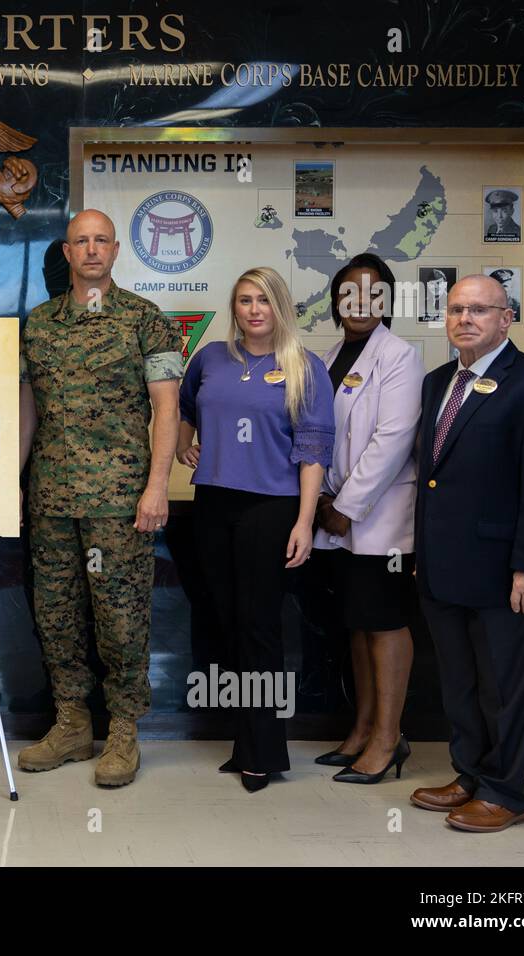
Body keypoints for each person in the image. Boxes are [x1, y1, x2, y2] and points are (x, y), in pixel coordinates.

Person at [411, 275, 524, 831]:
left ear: (506, 318)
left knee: (508, 688)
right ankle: (471, 776)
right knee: (460, 684)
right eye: (457, 309)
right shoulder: (438, 381)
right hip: (442, 568)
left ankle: (507, 792)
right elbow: (433, 480)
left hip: (508, 573)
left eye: (480, 310)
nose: (465, 319)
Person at [17, 208, 183, 788]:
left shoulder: (146, 320)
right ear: (66, 253)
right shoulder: (39, 324)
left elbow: (167, 407)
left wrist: (157, 486)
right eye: (79, 242)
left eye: (100, 241)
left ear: (115, 250)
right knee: (57, 617)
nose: (90, 250)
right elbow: (27, 411)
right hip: (52, 500)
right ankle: (71, 725)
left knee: (120, 620)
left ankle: (123, 732)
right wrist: (13, 484)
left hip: (120, 501)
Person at [177, 266, 334, 792]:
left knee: (260, 628)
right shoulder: (210, 359)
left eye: (264, 300)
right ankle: (243, 741)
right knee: (226, 623)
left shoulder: (304, 368)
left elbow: (313, 452)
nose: (254, 309)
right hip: (214, 502)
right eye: (244, 300)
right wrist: (183, 444)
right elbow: (183, 410)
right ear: (235, 307)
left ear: (280, 306)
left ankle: (263, 752)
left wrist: (306, 522)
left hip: (272, 508)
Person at [310, 254, 422, 784]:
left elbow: (392, 441)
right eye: (349, 292)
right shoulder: (331, 355)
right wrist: (326, 506)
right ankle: (361, 730)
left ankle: (388, 740)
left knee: (384, 622)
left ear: (388, 302)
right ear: (336, 300)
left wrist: (345, 508)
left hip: (379, 520)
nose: (360, 302)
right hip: (336, 515)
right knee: (357, 624)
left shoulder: (401, 356)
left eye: (373, 293)